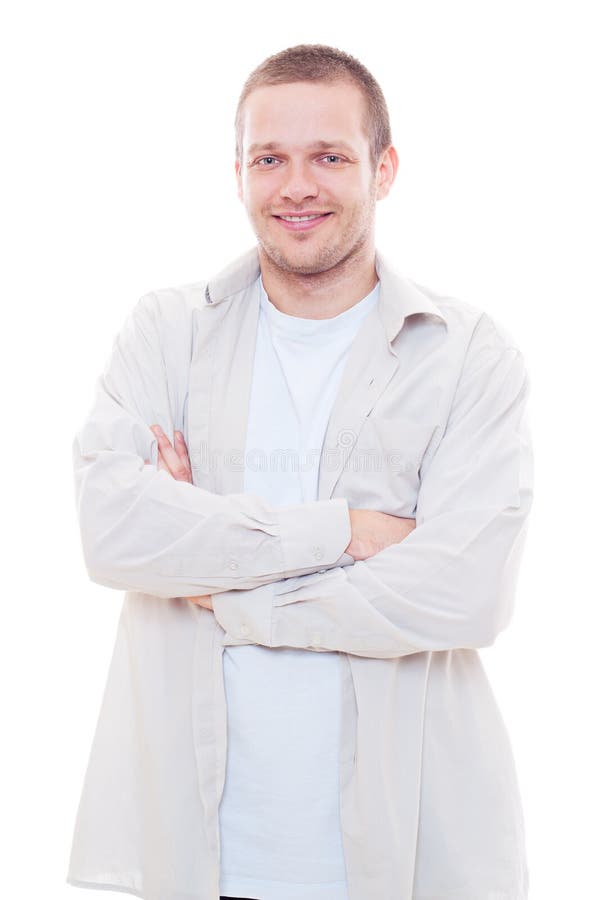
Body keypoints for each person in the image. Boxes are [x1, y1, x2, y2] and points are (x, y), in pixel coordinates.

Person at [65, 44, 534, 900]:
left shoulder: (467, 354)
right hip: (205, 850)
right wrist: (343, 532)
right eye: (268, 159)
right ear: (238, 171)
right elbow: (113, 532)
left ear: (382, 169)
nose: (296, 187)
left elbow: (463, 591)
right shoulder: (165, 333)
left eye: (329, 156)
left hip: (405, 852)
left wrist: (219, 578)